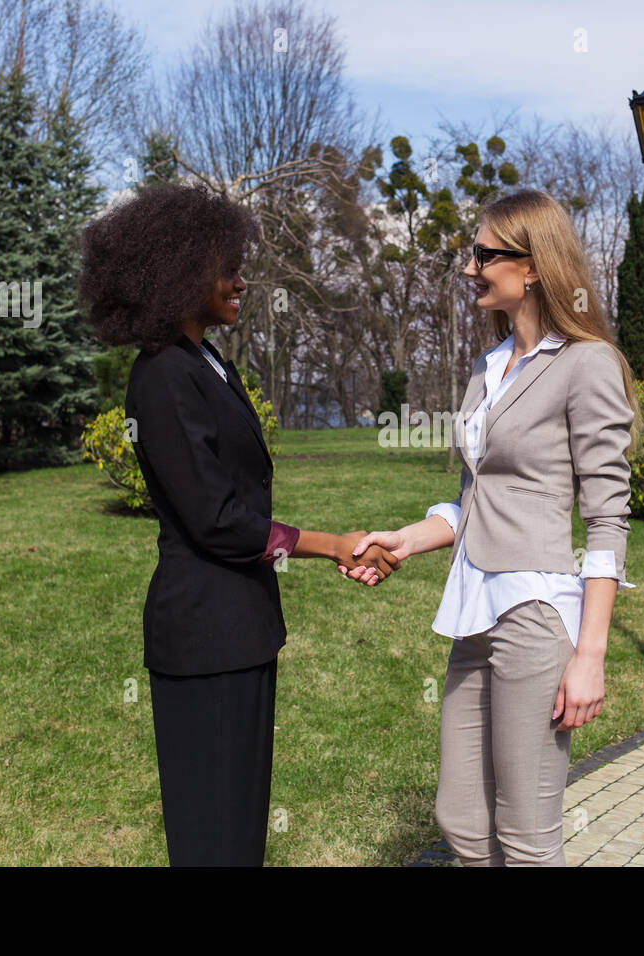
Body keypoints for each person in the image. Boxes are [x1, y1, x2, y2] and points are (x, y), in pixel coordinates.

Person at [78, 181, 400, 866]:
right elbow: (218, 520)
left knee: (237, 835)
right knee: (214, 841)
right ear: (177, 272)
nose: (241, 280)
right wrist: (330, 545)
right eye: (225, 267)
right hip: (204, 636)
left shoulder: (205, 362)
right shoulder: (163, 376)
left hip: (240, 630)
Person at [342, 188, 644, 866]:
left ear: (532, 265)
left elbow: (606, 518)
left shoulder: (585, 364)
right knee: (462, 820)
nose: (471, 267)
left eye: (484, 254)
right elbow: (472, 498)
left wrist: (589, 655)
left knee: (527, 834)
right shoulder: (490, 366)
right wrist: (408, 537)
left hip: (535, 615)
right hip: (475, 612)